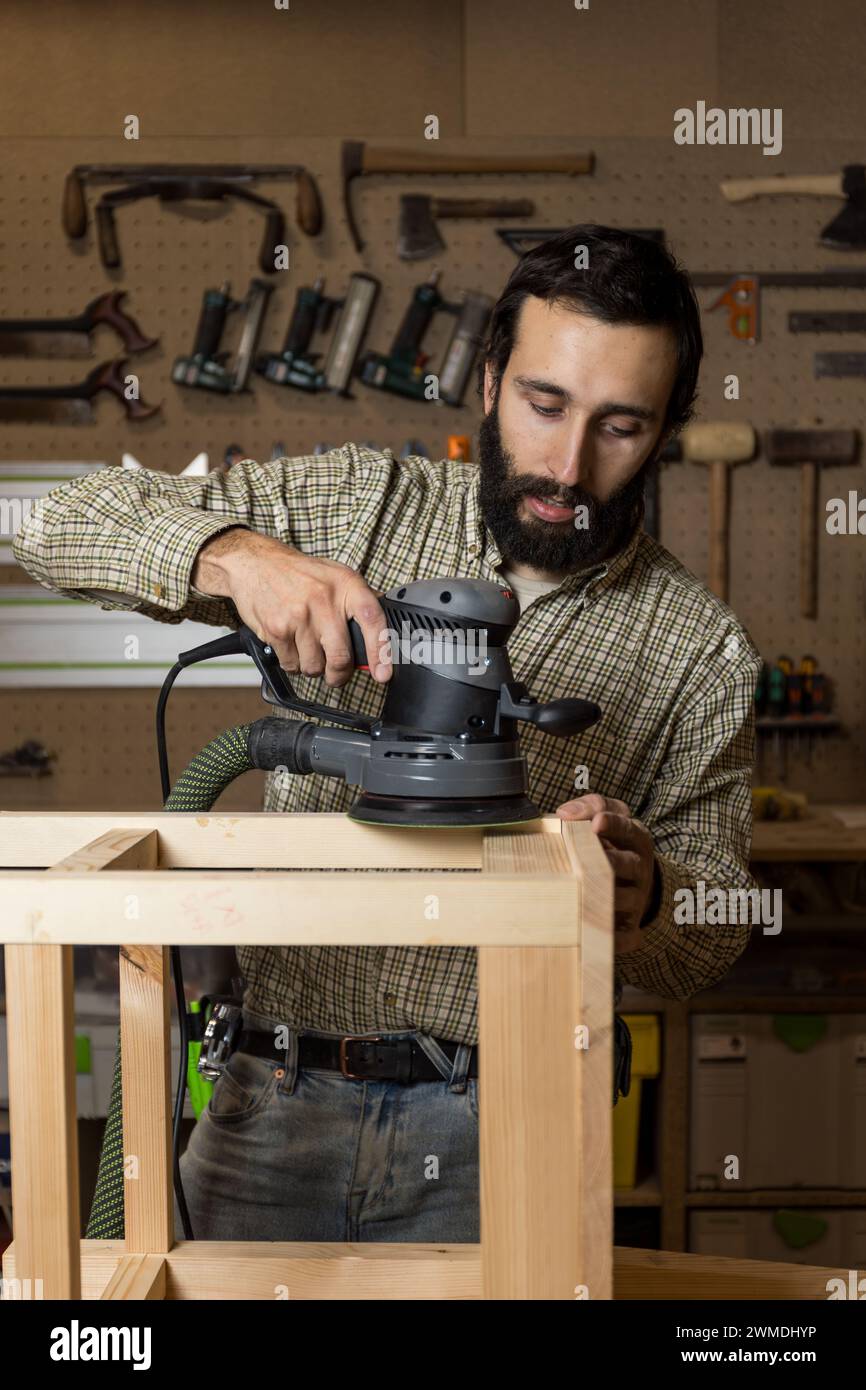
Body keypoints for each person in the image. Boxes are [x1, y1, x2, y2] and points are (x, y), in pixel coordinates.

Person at [14, 226, 761, 1243]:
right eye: (543, 404)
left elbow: (718, 923)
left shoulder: (700, 646)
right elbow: (50, 522)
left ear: (667, 426)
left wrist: (649, 889)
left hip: (505, 1121)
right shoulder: (363, 505)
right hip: (269, 1099)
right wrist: (236, 557)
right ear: (489, 379)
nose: (566, 463)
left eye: (618, 425)